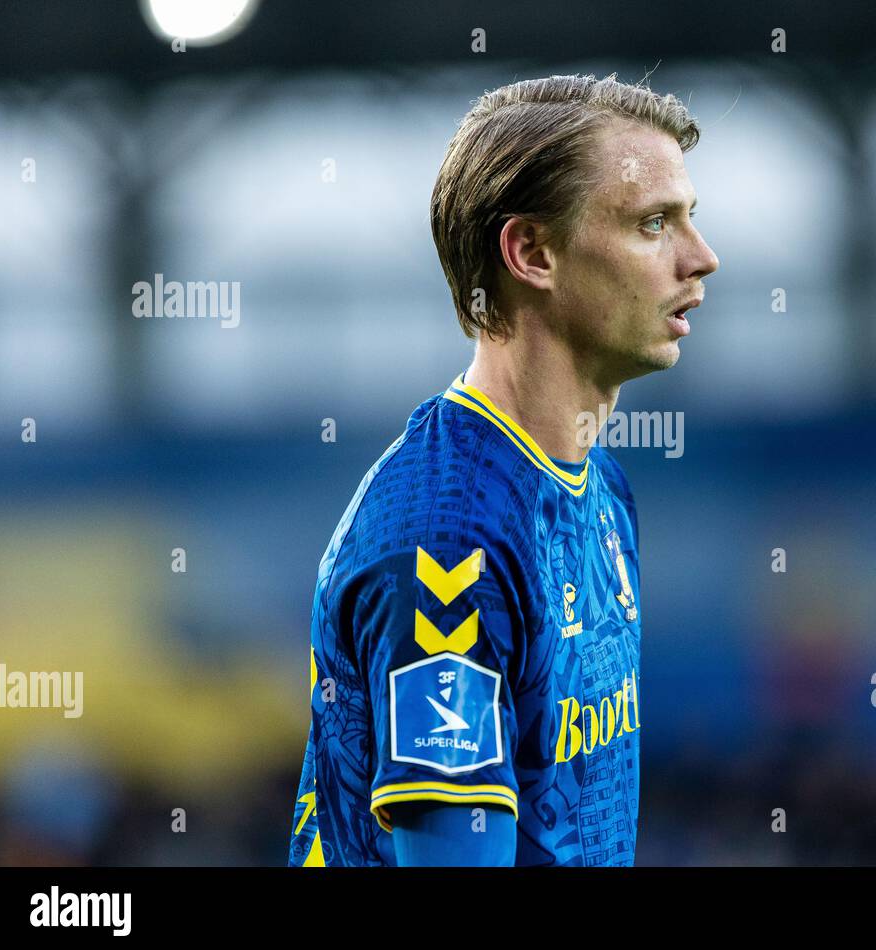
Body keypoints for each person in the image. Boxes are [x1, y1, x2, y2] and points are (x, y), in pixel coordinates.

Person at [288, 73, 720, 866]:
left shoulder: (601, 489)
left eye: (690, 220)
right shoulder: (446, 545)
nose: (702, 259)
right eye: (654, 223)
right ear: (531, 252)